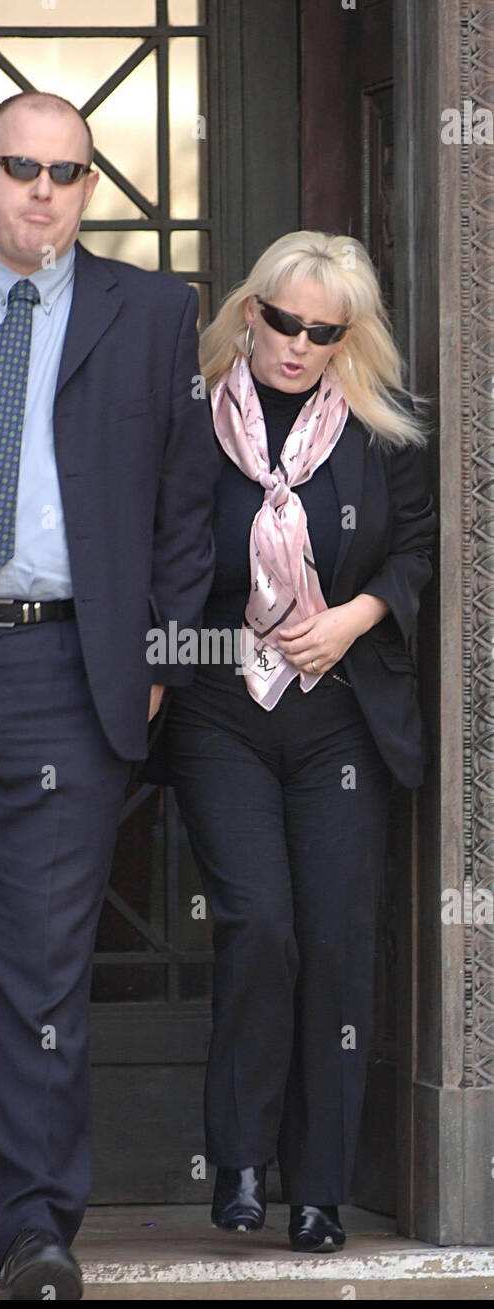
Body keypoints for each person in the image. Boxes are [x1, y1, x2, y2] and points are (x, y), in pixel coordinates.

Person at [0, 90, 220, 1299]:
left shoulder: (152, 312)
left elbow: (183, 504)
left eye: (70, 172)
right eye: (22, 168)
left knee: (39, 959)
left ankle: (37, 1220)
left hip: (66, 662)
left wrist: (153, 648)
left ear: (92, 186)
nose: (45, 190)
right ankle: (1, 1155)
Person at [160, 230, 437, 1252]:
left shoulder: (380, 431)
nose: (298, 344)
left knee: (332, 940)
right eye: (283, 321)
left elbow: (412, 552)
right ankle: (236, 1158)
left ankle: (315, 1187)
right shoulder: (187, 419)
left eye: (324, 331)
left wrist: (355, 615)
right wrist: (171, 656)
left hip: (338, 713)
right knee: (261, 924)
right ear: (248, 311)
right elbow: (157, 550)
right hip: (222, 707)